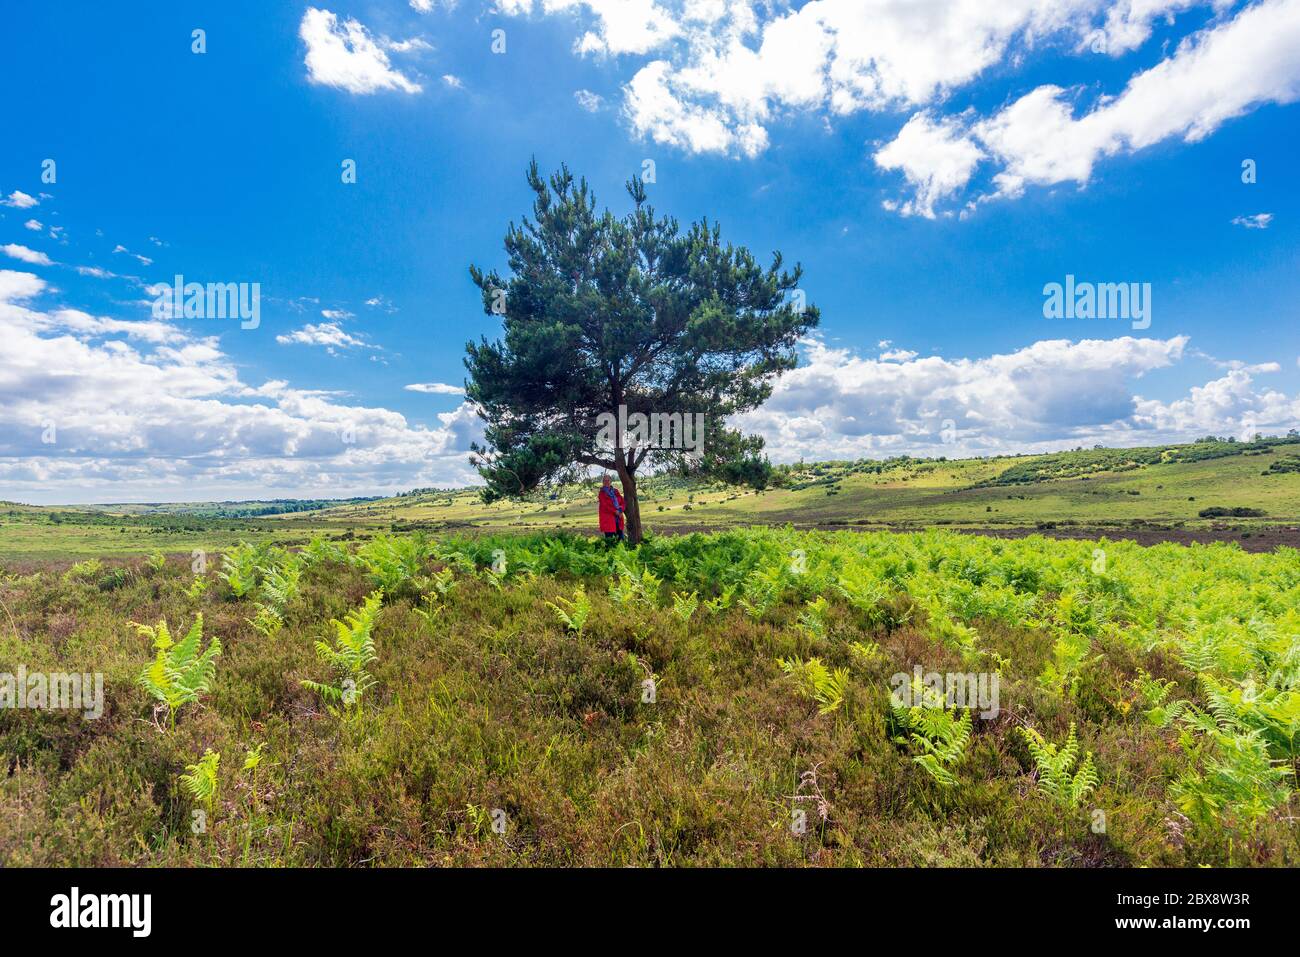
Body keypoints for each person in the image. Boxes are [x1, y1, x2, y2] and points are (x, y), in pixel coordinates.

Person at [598, 473, 626, 545]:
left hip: (618, 519)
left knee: (621, 541)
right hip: (608, 521)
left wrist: (620, 510)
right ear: (603, 482)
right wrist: (615, 511)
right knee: (611, 542)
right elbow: (605, 506)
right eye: (604, 480)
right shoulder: (602, 493)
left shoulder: (615, 491)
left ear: (611, 481)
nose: (606, 482)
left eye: (608, 480)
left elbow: (623, 502)